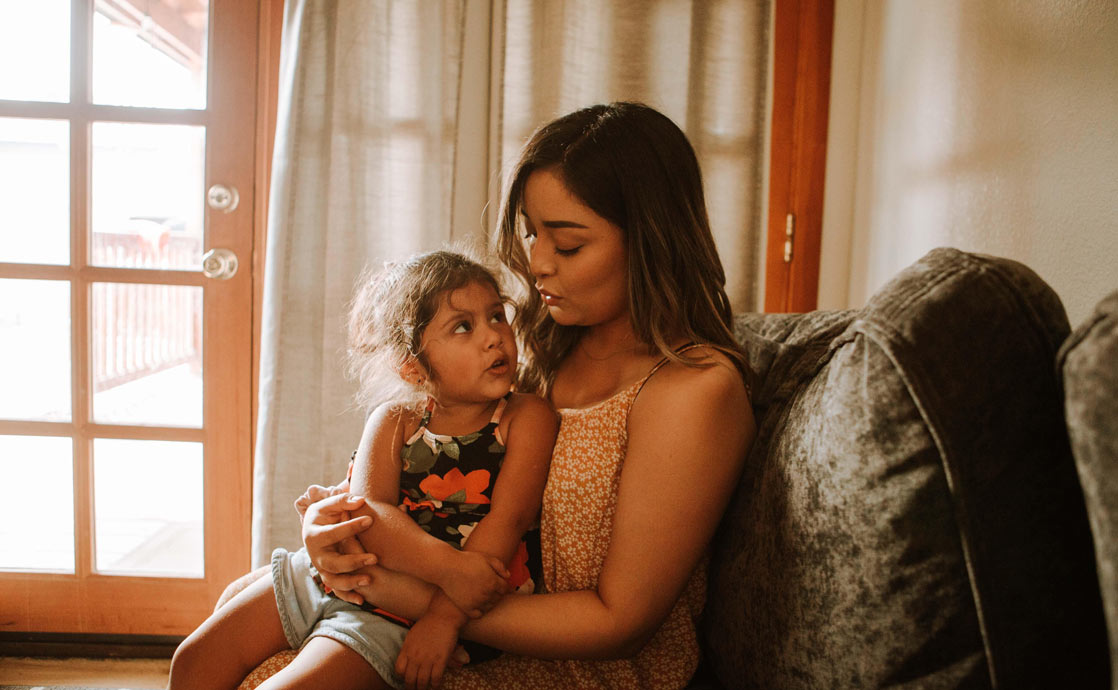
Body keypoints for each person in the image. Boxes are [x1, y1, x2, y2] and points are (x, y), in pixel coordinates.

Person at [299, 102, 757, 690]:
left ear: (649, 241)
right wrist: (332, 531)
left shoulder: (694, 392)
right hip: (447, 628)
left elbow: (618, 625)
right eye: (531, 233)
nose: (536, 264)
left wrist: (415, 601)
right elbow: (423, 486)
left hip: (571, 672)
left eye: (567, 246)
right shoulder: (538, 354)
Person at [168, 251, 559, 690]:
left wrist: (443, 619)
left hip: (395, 612)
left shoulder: (525, 417)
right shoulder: (395, 420)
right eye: (463, 326)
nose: (493, 337)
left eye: (496, 316)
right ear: (412, 367)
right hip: (327, 574)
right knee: (193, 661)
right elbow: (368, 511)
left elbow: (509, 520)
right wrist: (450, 567)